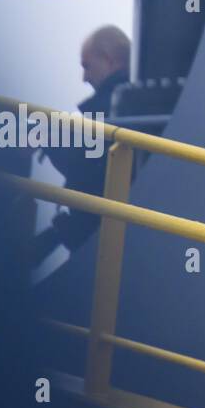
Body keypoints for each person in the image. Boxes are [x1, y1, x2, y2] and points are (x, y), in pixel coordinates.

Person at [30, 25, 131, 265]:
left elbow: (85, 169)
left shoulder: (109, 106)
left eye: (87, 66)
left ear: (108, 60)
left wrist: (48, 140)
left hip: (101, 233)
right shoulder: (126, 101)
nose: (84, 78)